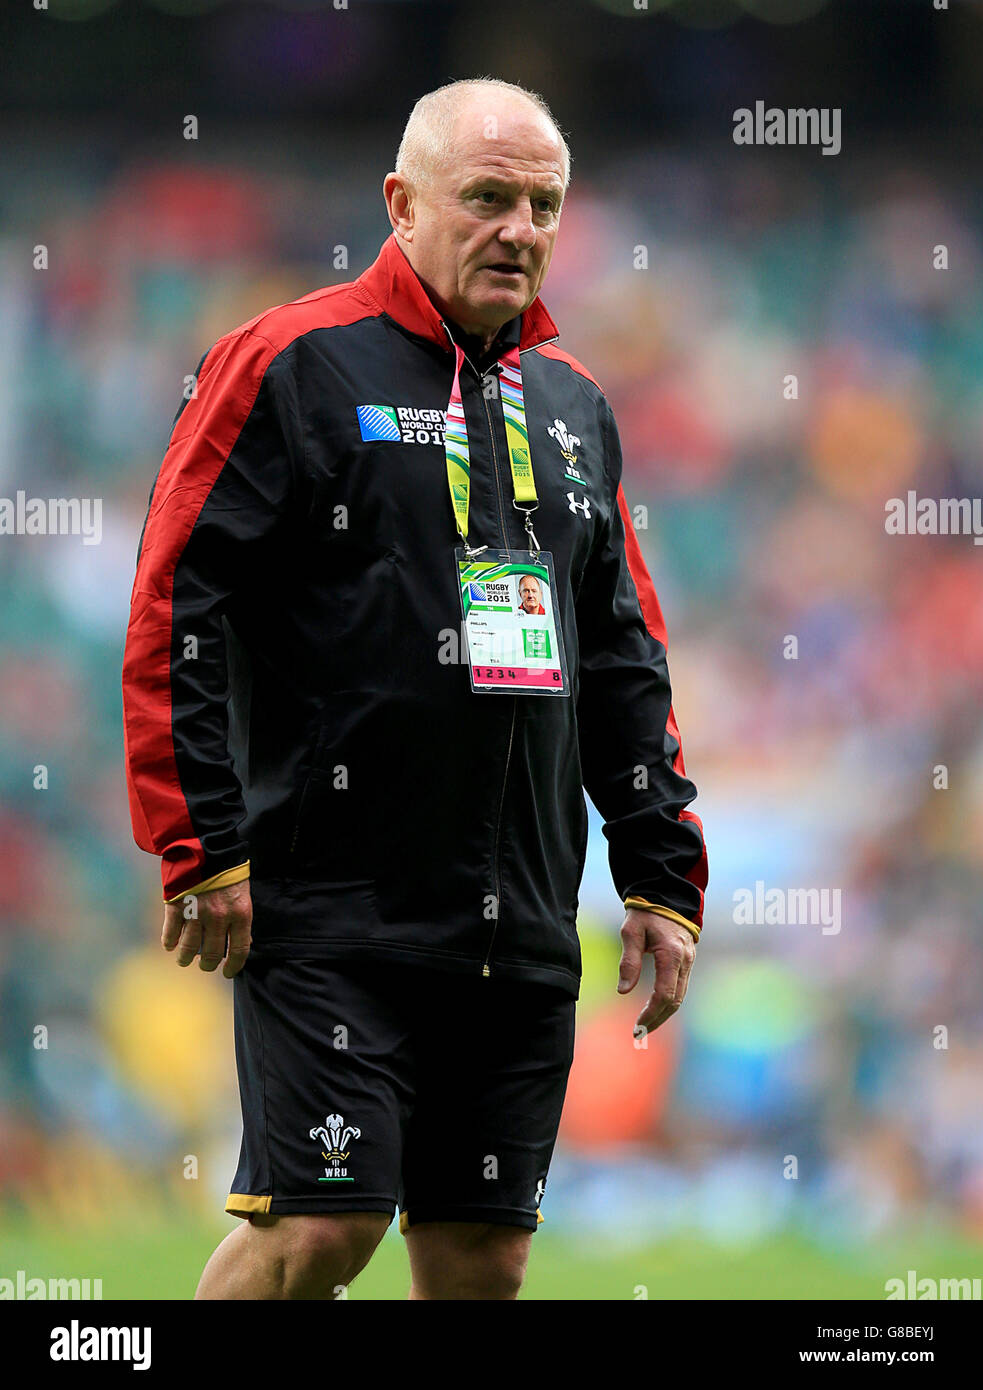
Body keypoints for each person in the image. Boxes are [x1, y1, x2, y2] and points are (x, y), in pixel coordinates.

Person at [121, 77, 707, 1301]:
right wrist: (202, 838)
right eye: (488, 199)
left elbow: (621, 653)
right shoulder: (288, 361)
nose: (523, 230)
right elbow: (180, 594)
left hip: (523, 918)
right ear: (401, 202)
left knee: (481, 1256)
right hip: (336, 907)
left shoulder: (572, 407)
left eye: (544, 204)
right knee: (317, 1231)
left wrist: (659, 869)